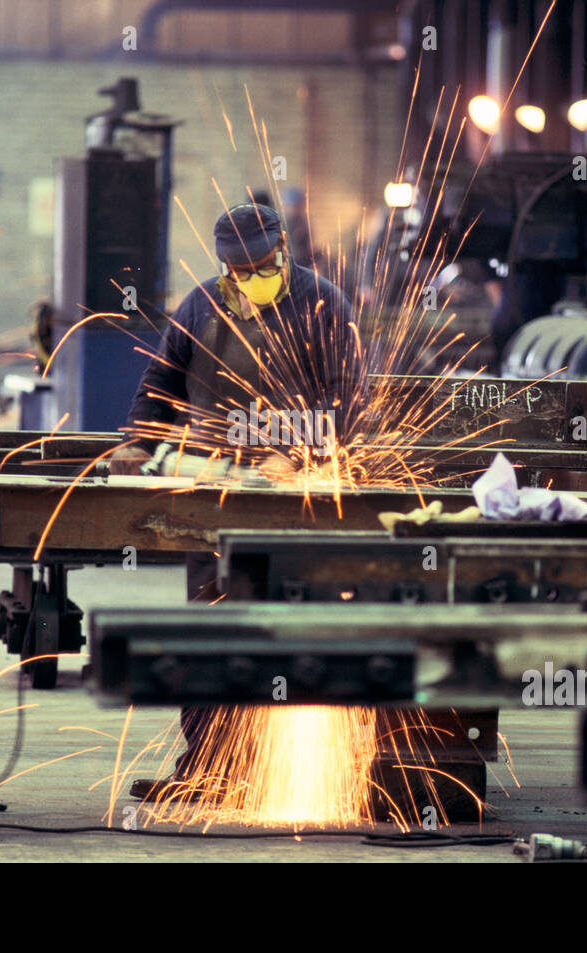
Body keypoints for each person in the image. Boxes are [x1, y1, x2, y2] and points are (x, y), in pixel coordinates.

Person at [111, 203, 361, 801]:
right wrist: (138, 439)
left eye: (264, 266)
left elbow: (348, 398)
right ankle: (207, 770)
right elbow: (162, 381)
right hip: (214, 493)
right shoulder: (202, 304)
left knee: (289, 628)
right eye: (241, 272)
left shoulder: (325, 303)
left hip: (296, 496)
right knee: (211, 624)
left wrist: (301, 455)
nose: (254, 279)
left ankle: (300, 771)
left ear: (283, 251)